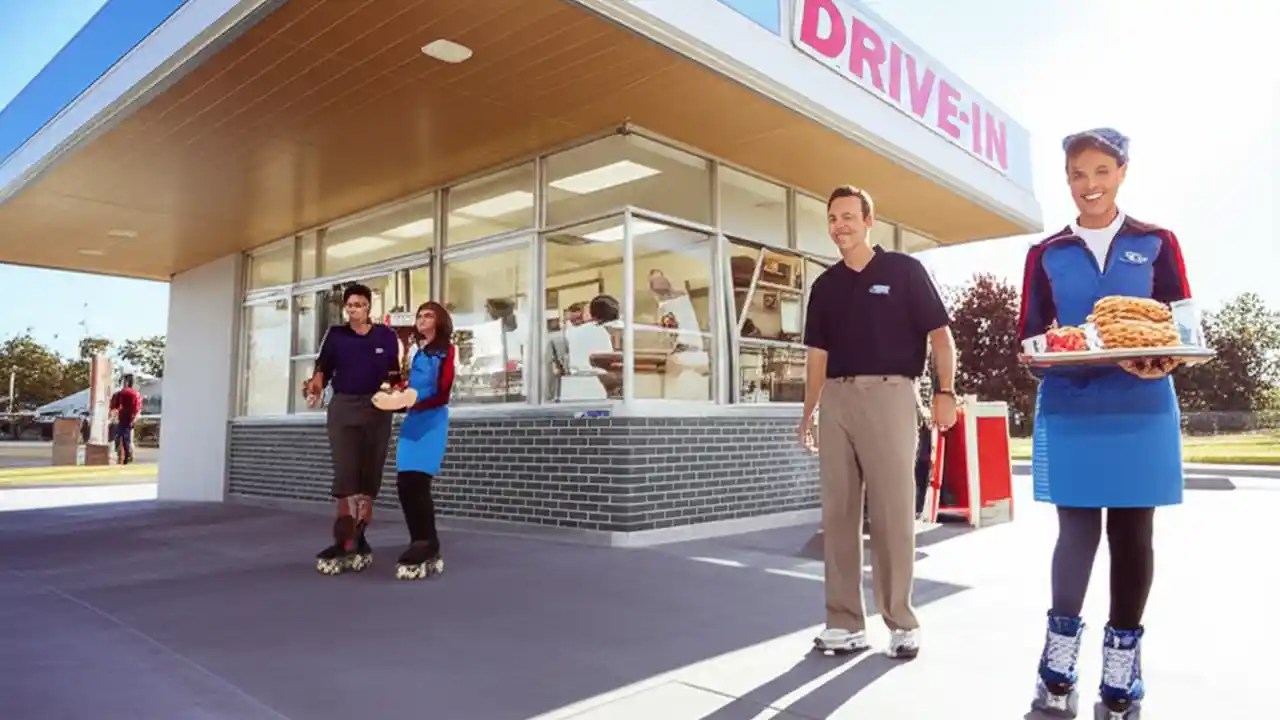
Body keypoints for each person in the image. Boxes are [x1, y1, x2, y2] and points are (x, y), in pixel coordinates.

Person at [1019, 128, 1191, 719]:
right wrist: (1043, 357)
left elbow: (1181, 326)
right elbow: (1032, 336)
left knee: (1132, 535)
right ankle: (1058, 664)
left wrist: (1163, 357)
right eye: (1076, 174)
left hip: (1141, 406)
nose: (1088, 185)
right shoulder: (1045, 254)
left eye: (1099, 171)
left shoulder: (1158, 242)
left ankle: (1121, 670)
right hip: (1071, 403)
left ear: (1121, 172)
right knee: (1075, 533)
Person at [800, 185, 958, 659]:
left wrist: (944, 392)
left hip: (891, 394)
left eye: (849, 216)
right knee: (839, 514)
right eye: (833, 218)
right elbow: (816, 358)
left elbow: (941, 337)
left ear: (869, 221)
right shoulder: (824, 287)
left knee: (891, 513)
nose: (840, 226)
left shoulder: (904, 271)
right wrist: (808, 413)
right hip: (837, 401)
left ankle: (902, 622)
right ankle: (844, 622)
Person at [304, 283, 402, 575]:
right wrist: (314, 387)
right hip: (344, 407)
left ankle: (360, 537)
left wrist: (400, 395)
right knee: (346, 475)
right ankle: (343, 539)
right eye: (350, 306)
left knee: (369, 475)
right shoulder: (336, 336)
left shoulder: (386, 335)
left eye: (359, 305)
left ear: (369, 307)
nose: (354, 310)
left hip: (377, 408)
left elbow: (394, 374)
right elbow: (322, 369)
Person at [394, 301, 457, 580]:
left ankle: (427, 543)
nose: (422, 319)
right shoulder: (417, 354)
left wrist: (415, 402)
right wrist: (396, 399)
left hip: (432, 420)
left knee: (419, 483)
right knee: (405, 484)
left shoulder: (447, 351)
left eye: (428, 315)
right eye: (419, 315)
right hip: (412, 422)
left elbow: (443, 392)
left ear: (440, 320)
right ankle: (418, 539)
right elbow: (409, 388)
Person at [108, 375, 141, 465]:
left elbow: (113, 406)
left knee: (120, 437)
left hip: (123, 418)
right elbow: (137, 408)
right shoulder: (135, 394)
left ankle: (122, 457)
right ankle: (127, 457)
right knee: (127, 439)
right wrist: (135, 418)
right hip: (129, 419)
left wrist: (113, 414)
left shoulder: (121, 393)